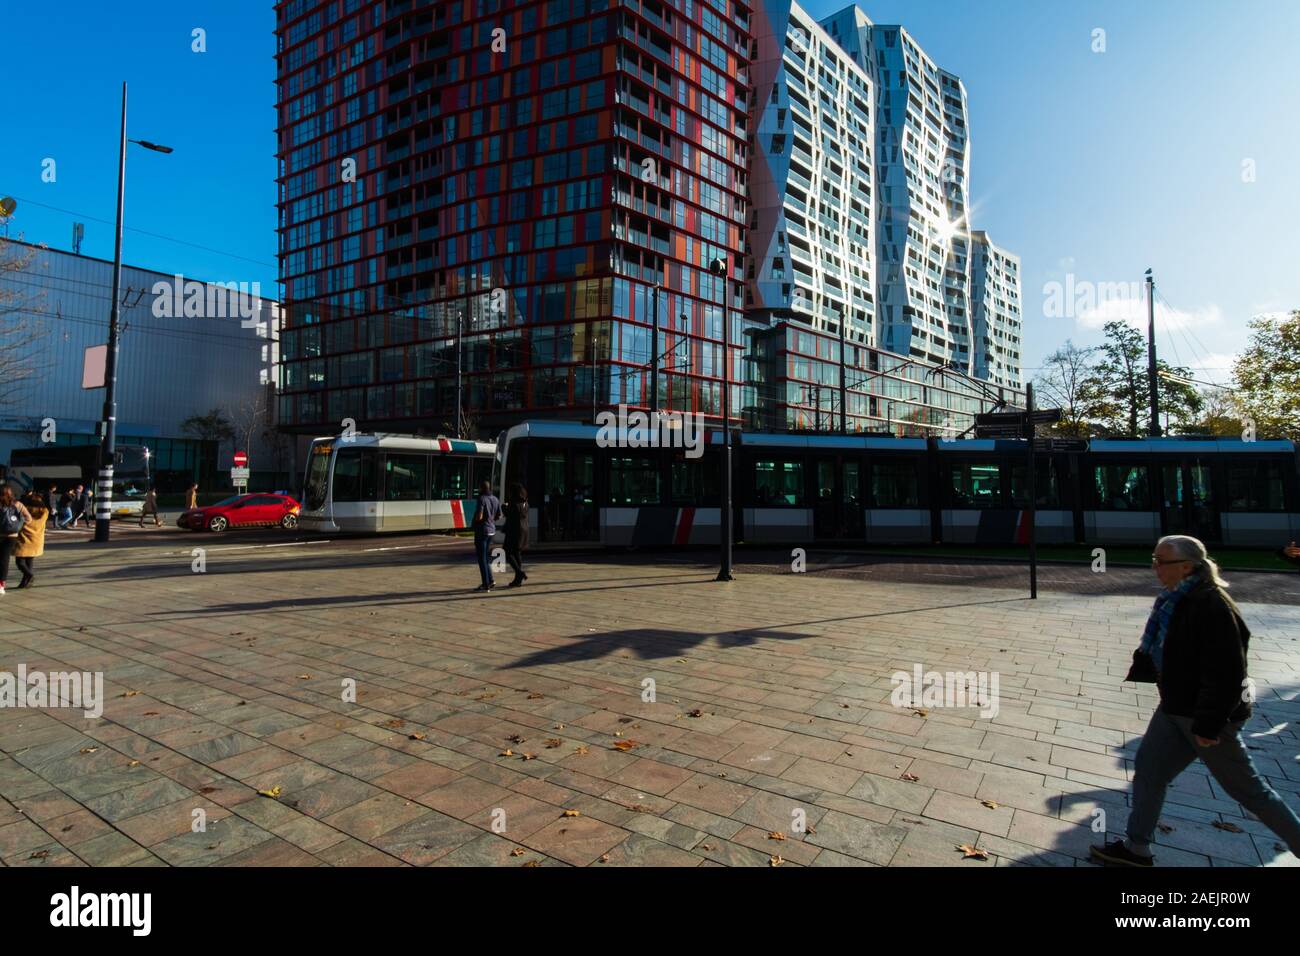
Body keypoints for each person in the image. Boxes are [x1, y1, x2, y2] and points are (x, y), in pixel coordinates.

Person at [1092, 534, 1300, 867]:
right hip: (1174, 707)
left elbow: (1229, 672)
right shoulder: (1175, 598)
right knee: (1148, 771)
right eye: (1154, 559)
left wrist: (1209, 723)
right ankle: (1137, 848)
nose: (1155, 566)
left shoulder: (1212, 605)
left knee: (1250, 792)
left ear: (1187, 566)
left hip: (1204, 717)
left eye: (1162, 561)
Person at [0, 487, 33, 596]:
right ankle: (1, 586)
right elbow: (29, 518)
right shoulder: (18, 504)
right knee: (4, 561)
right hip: (12, 536)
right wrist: (18, 526)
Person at [471, 479, 502, 592]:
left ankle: (485, 584)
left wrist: (475, 520)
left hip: (482, 531)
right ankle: (491, 580)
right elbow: (499, 516)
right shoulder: (495, 498)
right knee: (486, 557)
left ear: (481, 488)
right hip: (491, 530)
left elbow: (479, 516)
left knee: (481, 558)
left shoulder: (481, 498)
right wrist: (490, 519)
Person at [13, 493, 48, 589]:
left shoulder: (25, 512)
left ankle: (29, 575)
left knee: (20, 562)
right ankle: (25, 582)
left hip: (24, 540)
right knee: (29, 562)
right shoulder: (44, 512)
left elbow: (20, 523)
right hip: (36, 540)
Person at [502, 483, 529, 588]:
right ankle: (518, 580)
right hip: (524, 530)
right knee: (517, 553)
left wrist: (504, 507)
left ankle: (519, 573)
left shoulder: (514, 503)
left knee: (507, 552)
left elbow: (508, 514)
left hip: (514, 531)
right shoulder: (526, 503)